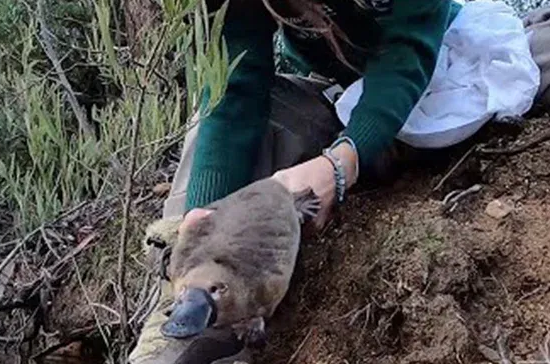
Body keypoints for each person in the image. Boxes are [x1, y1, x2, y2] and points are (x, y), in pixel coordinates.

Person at [162, 0, 547, 231]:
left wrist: (343, 160)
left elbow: (408, 53)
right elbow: (235, 88)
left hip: (448, 54)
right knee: (209, 137)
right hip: (340, 92)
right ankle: (187, 325)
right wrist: (202, 217)